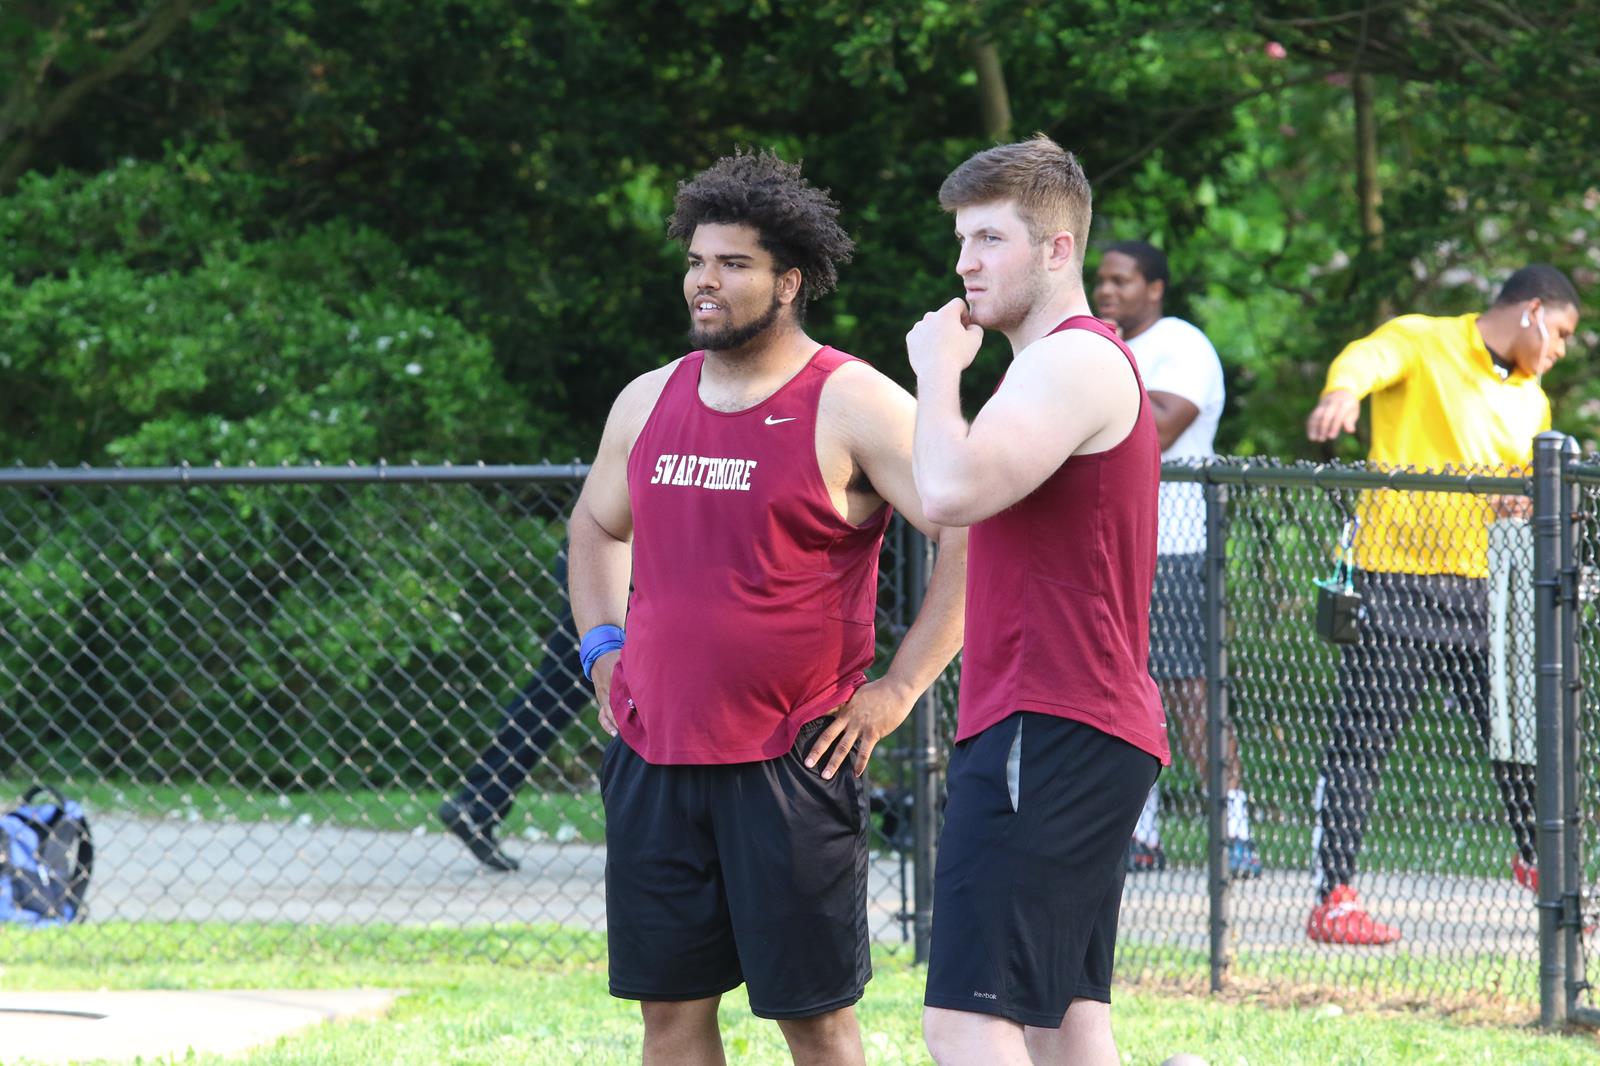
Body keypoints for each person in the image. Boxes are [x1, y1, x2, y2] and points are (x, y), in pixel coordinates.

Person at [568, 149, 966, 1066]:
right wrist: (602, 645)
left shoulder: (854, 400)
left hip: (789, 761)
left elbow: (973, 539)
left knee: (814, 1022)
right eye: (697, 261)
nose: (705, 282)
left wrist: (900, 688)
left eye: (733, 264)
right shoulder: (649, 397)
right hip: (651, 751)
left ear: (788, 280)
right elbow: (596, 524)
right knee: (668, 1017)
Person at [909, 135, 1168, 1066]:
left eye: (987, 239)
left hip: (1051, 719)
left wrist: (938, 368)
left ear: (1057, 250)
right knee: (1062, 1020)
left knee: (968, 1019)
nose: (963, 263)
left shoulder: (1071, 364)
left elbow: (947, 495)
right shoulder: (1052, 371)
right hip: (1067, 724)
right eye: (963, 241)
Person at [1303, 264, 1582, 946]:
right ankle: (1334, 898)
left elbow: (1520, 483)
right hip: (1394, 578)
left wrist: (1521, 499)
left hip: (1478, 588)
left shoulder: (1532, 400)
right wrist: (1343, 392)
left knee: (1516, 736)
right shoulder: (1425, 339)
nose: (1563, 350)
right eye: (1564, 333)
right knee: (1361, 745)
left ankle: (1543, 867)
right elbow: (1369, 356)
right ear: (1534, 312)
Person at [1093, 240, 1259, 880]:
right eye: (1101, 281)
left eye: (1121, 281)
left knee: (1191, 694)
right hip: (1112, 549)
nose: (1107, 291)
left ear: (1155, 288)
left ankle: (1235, 830)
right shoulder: (1104, 345)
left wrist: (1095, 379)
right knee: (1123, 691)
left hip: (1177, 547)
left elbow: (1153, 428)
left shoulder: (1180, 344)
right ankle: (1141, 834)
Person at [436, 544, 589, 873]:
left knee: (557, 689)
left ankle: (478, 803)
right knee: (561, 687)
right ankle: (477, 803)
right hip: (613, 557)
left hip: (610, 555)